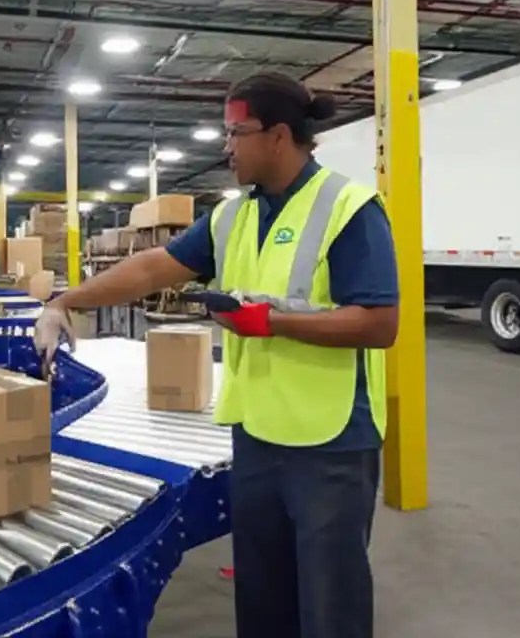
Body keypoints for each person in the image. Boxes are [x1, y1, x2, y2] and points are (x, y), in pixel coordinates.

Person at [34, 71, 399, 638]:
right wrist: (65, 301)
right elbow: (153, 267)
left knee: (332, 603)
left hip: (330, 442)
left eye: (236, 132)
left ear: (278, 136)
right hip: (256, 435)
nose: (225, 146)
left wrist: (270, 323)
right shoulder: (234, 216)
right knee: (262, 596)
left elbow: (380, 323)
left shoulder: (348, 208)